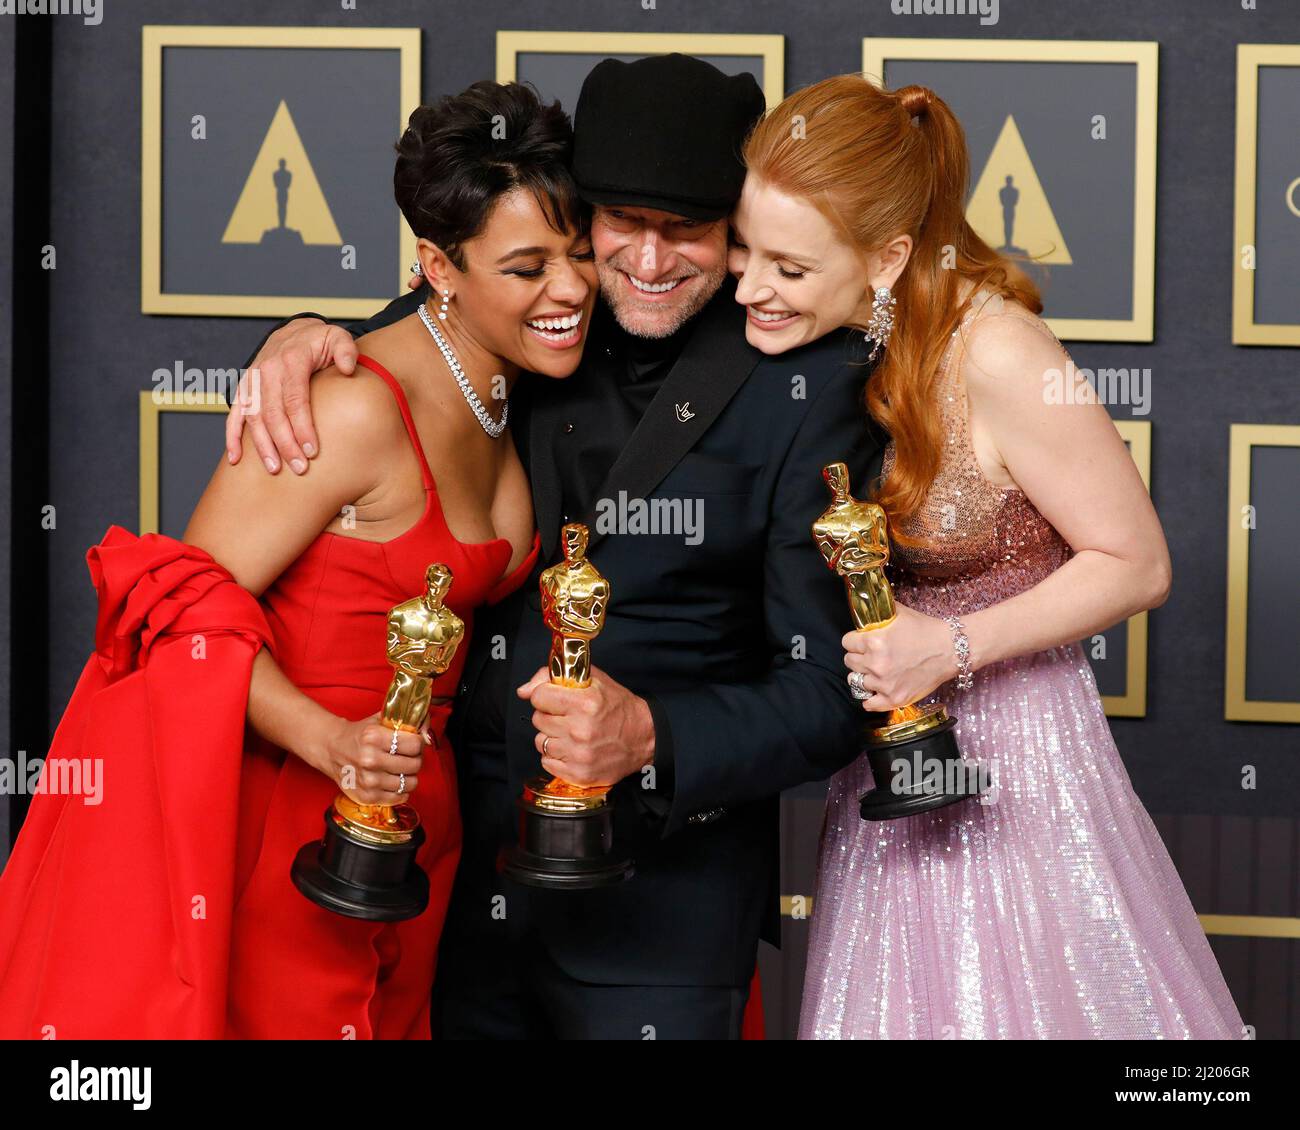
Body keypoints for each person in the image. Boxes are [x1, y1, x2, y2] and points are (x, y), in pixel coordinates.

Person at [228, 54, 880, 1040]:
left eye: (688, 231)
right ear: (581, 214)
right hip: (440, 889)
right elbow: (415, 336)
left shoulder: (808, 380)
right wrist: (297, 334)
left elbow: (833, 690)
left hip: (661, 914)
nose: (650, 263)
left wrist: (651, 735)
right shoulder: (541, 320)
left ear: (738, 234)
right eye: (623, 224)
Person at [0, 80, 593, 1038]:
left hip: (415, 825)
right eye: (526, 268)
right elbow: (171, 607)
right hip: (289, 818)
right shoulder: (350, 406)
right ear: (438, 267)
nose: (567, 289)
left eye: (575, 254)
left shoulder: (512, 393)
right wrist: (328, 742)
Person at [729, 73, 1244, 1038]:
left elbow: (1137, 563)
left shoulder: (1000, 353)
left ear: (886, 257)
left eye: (789, 268)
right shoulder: (841, 338)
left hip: (1018, 765)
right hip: (895, 764)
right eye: (742, 248)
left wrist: (950, 644)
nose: (751, 285)